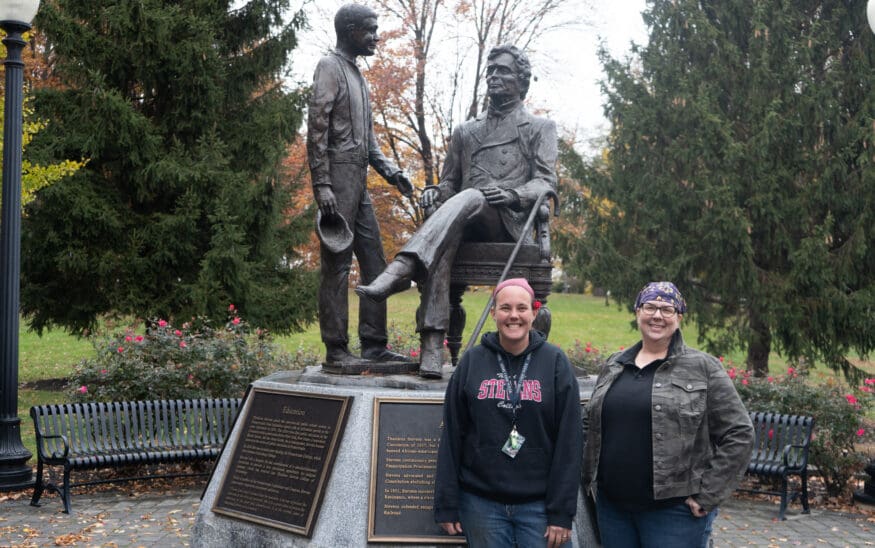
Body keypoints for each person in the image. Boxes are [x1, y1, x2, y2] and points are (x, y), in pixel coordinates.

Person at [356, 45, 557, 378]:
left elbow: (545, 183)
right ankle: (433, 348)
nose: (494, 76)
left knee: (470, 199)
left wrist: (511, 194)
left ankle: (402, 270)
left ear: (521, 81)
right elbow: (450, 184)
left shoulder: (539, 128)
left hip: (507, 220)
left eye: (503, 71)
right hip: (464, 219)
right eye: (490, 71)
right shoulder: (466, 131)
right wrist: (436, 192)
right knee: (449, 227)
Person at [581, 282, 754, 547]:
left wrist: (708, 495)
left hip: (673, 514)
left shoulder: (703, 367)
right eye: (650, 306)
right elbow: (588, 427)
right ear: (638, 311)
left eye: (667, 309)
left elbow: (739, 433)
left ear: (679, 317)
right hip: (613, 508)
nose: (657, 315)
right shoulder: (615, 365)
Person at [434, 278, 581, 547]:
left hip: (539, 506)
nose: (514, 315)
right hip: (481, 505)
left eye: (522, 308)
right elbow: (453, 434)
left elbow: (569, 442)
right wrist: (446, 502)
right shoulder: (472, 361)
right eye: (505, 308)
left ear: (534, 313)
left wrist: (561, 511)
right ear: (493, 313)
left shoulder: (555, 363)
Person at [307, 4, 415, 366]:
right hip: (337, 180)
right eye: (370, 30)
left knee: (376, 263)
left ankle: (374, 344)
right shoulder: (329, 67)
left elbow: (368, 141)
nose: (376, 36)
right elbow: (317, 128)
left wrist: (391, 172)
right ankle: (336, 351)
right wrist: (322, 184)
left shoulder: (357, 75)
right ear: (350, 30)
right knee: (336, 265)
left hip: (359, 180)